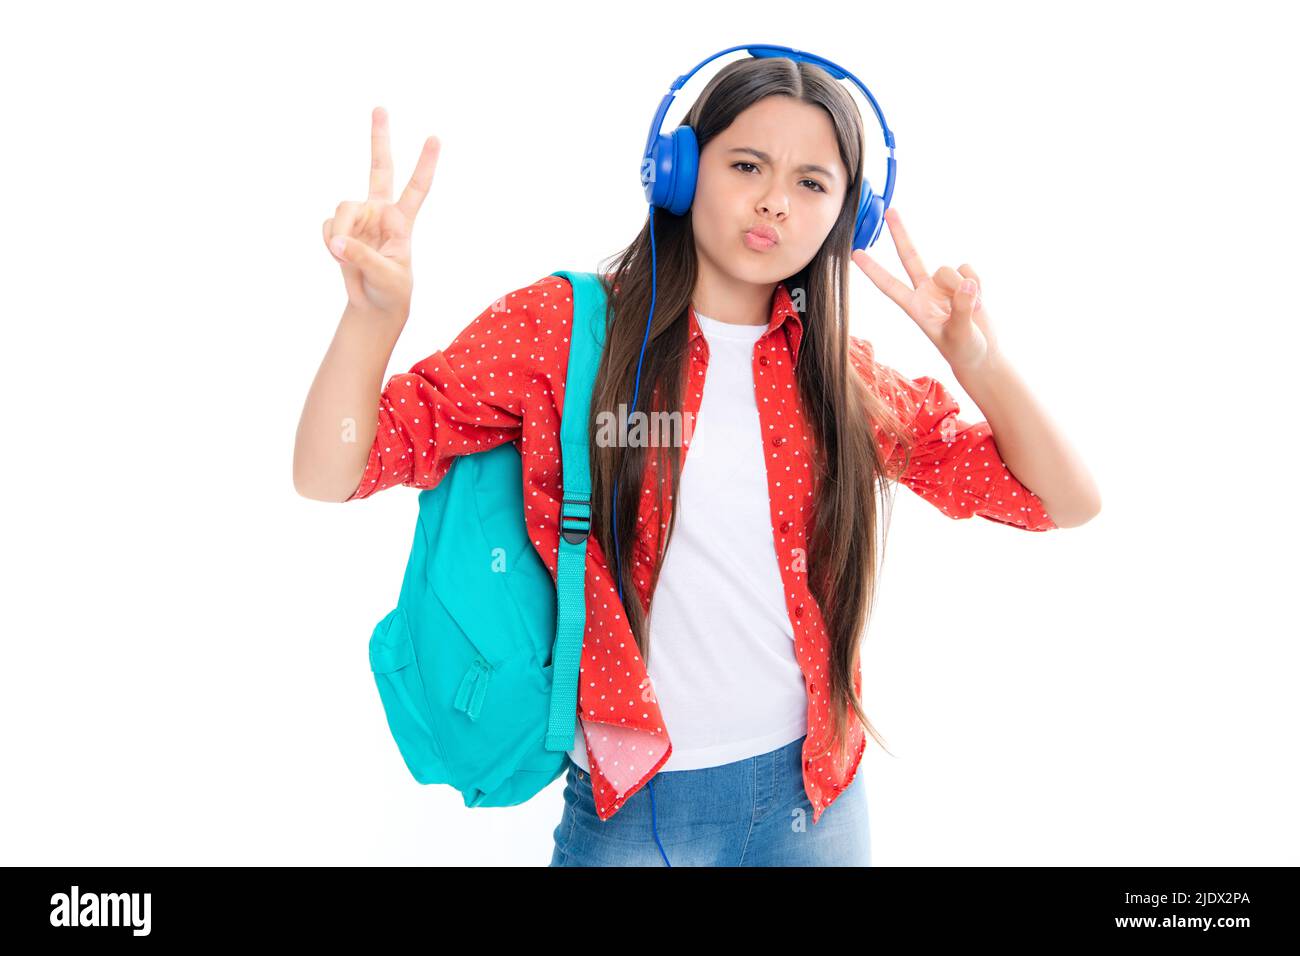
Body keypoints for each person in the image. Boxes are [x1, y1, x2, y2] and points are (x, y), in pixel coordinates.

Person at [293, 56, 1100, 867]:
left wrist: (977, 360)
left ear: (847, 218)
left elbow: (1062, 501)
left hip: (815, 799)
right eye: (747, 165)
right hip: (637, 808)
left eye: (813, 183)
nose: (775, 201)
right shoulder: (567, 330)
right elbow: (332, 471)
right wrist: (373, 318)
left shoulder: (842, 380)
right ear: (679, 171)